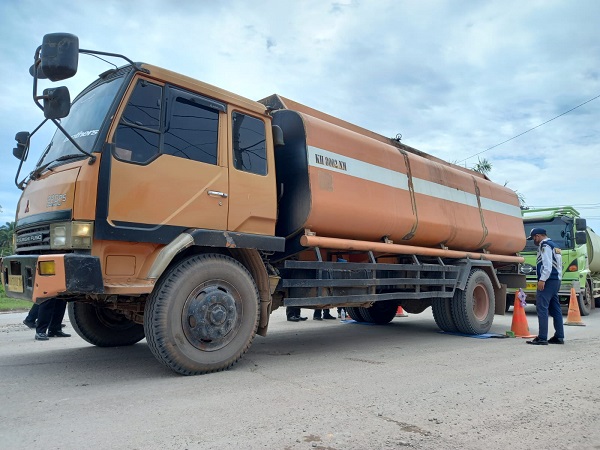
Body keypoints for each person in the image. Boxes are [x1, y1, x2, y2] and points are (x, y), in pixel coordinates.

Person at [526, 227, 565, 345]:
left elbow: (547, 265)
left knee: (542, 308)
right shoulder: (555, 245)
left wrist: (542, 280)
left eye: (533, 238)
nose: (534, 241)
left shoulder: (545, 246)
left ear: (537, 236)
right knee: (555, 309)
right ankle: (559, 336)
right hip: (555, 281)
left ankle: (542, 337)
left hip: (547, 281)